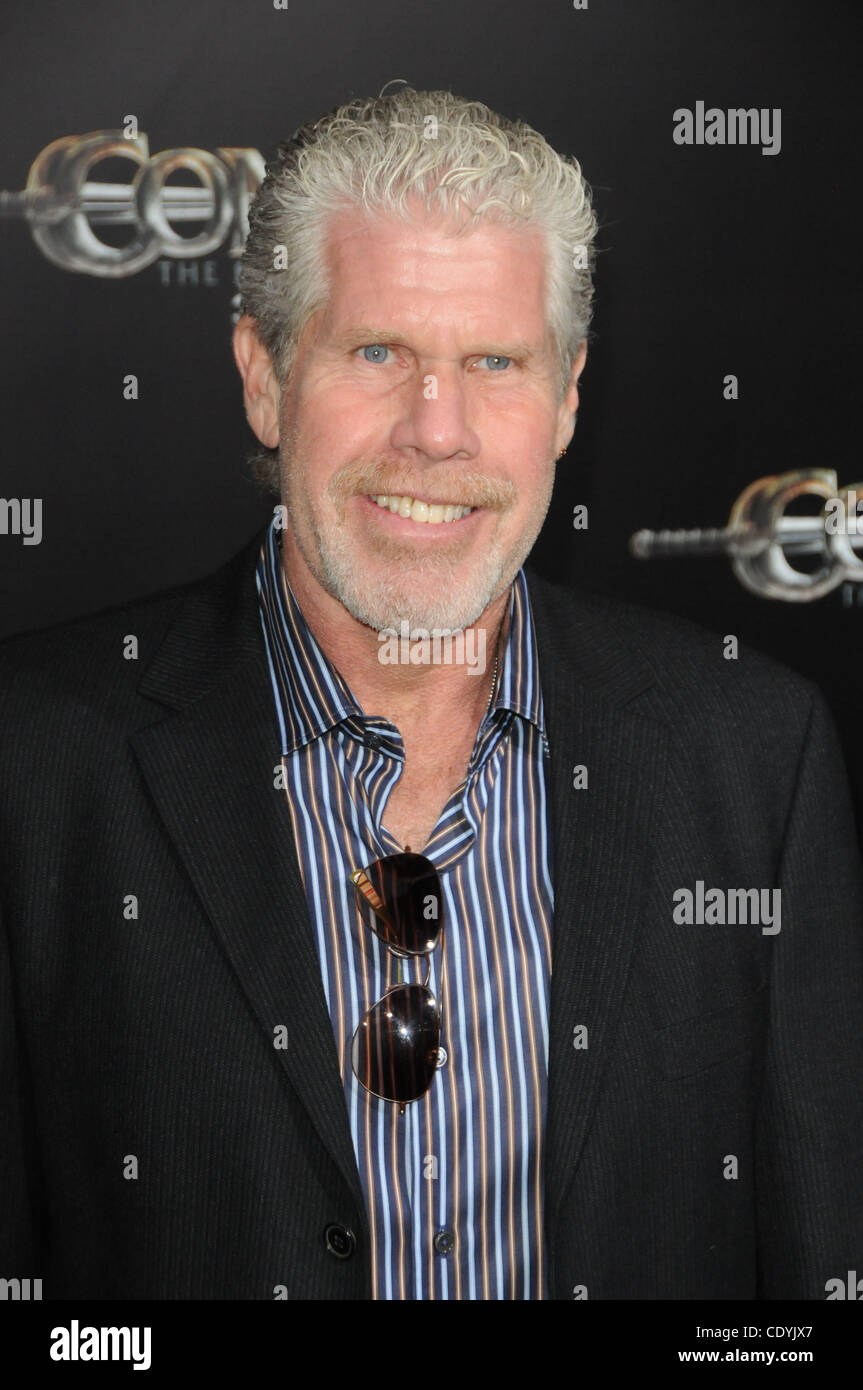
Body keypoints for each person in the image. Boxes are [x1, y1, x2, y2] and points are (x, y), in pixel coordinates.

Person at [1, 87, 861, 1302]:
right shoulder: (35, 765)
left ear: (566, 398)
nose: (435, 430)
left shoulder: (754, 759)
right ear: (262, 375)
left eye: (494, 362)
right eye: (376, 352)